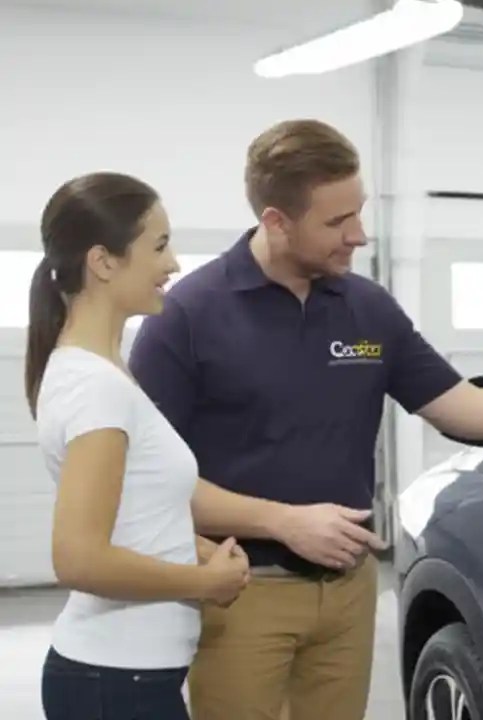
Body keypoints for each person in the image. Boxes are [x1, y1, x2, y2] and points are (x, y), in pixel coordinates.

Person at [126, 118, 483, 720]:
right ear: (276, 221)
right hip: (241, 592)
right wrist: (283, 522)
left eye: (359, 212)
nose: (359, 235)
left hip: (348, 591)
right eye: (337, 222)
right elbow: (147, 481)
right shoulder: (185, 316)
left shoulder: (366, 308)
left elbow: (464, 405)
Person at [27, 172, 252, 720]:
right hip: (114, 683)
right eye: (158, 245)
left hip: (123, 677)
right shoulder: (95, 386)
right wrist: (205, 582)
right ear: (103, 262)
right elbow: (79, 558)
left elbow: (129, 507)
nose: (173, 264)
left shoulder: (99, 371)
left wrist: (186, 545)